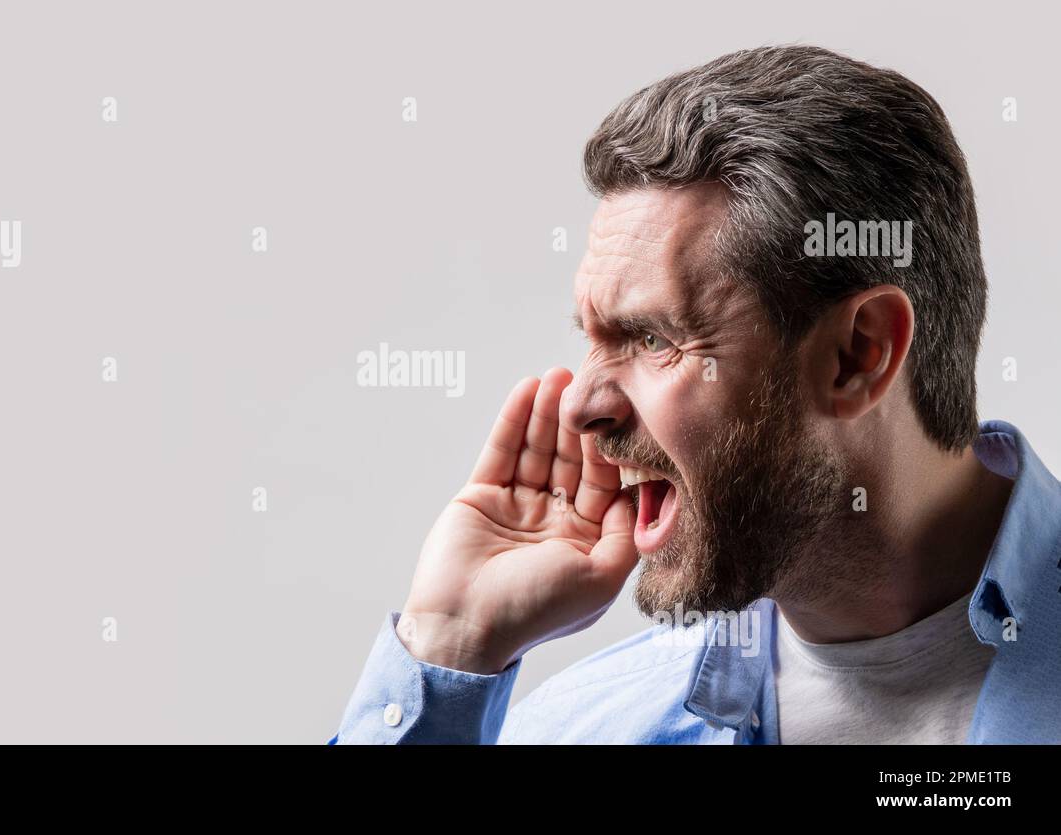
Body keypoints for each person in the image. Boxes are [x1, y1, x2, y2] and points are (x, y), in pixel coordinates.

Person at [329, 45, 1061, 744]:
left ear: (857, 356)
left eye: (652, 339)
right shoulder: (583, 728)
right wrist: (450, 640)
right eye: (591, 336)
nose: (581, 405)